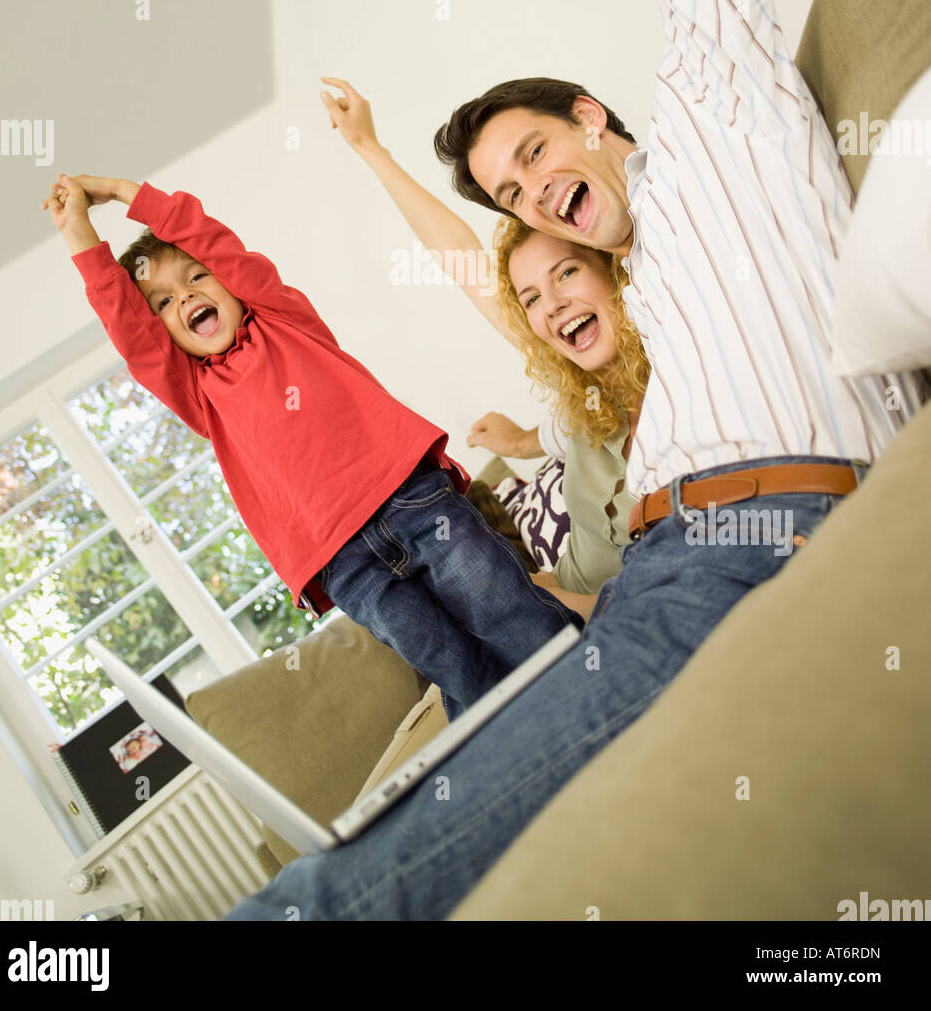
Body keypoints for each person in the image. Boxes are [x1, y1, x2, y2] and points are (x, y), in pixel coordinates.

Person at [224, 0, 925, 921]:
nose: (528, 192)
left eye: (534, 153)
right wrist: (379, 158)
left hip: (747, 539)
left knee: (347, 893)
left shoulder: (719, 117)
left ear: (596, 117)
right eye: (505, 192)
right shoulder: (640, 284)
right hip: (661, 564)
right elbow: (497, 288)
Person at [41, 172, 582, 721]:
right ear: (164, 332)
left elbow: (215, 241)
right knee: (446, 661)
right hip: (340, 562)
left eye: (198, 277)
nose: (187, 297)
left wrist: (127, 193)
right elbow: (128, 328)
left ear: (229, 282)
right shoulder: (197, 392)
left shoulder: (281, 317)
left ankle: (592, 679)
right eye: (163, 301)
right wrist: (79, 235)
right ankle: (519, 736)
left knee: (502, 608)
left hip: (411, 498)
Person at [320, 78, 650, 602]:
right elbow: (461, 257)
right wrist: (370, 149)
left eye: (565, 274)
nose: (553, 304)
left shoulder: (684, 356)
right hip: (555, 596)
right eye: (532, 298)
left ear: (614, 274)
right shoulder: (580, 406)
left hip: (584, 620)